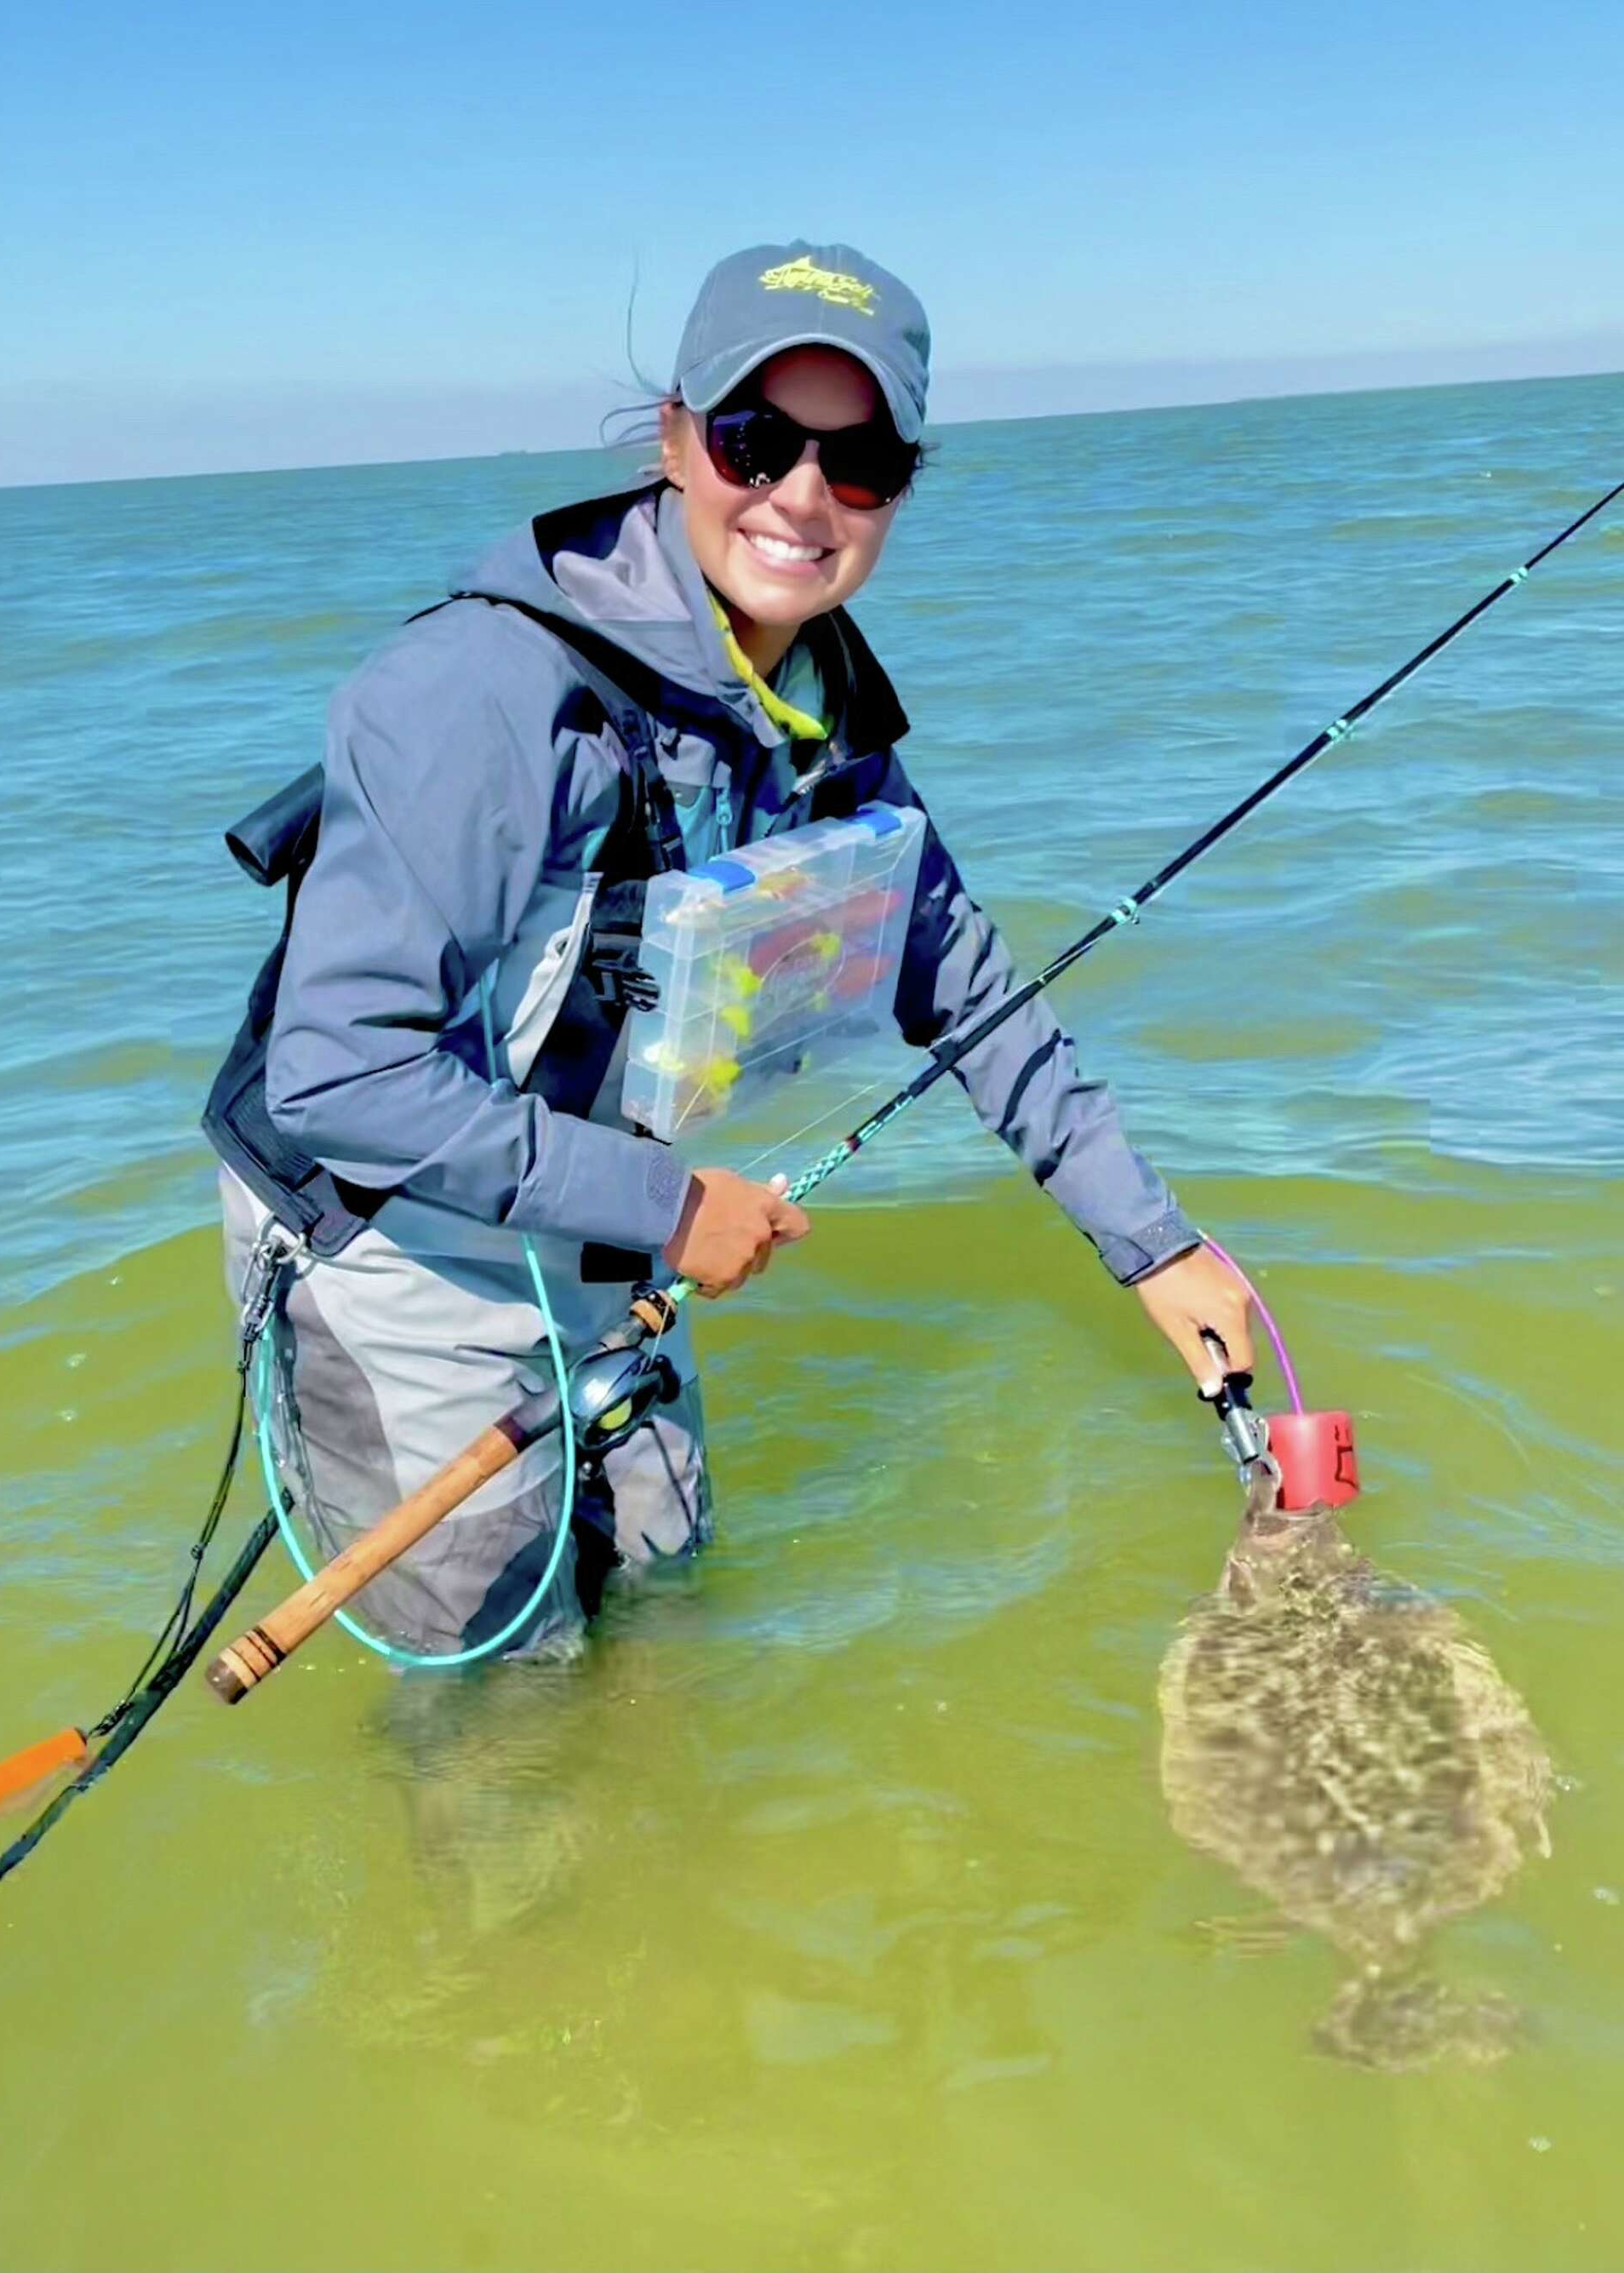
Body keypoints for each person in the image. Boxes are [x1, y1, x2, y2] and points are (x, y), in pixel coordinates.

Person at [209, 239, 1253, 1661]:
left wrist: (1156, 1246)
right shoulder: (481, 690)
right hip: (391, 1245)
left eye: (863, 458)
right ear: (677, 439)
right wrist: (665, 1198)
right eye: (759, 439)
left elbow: (970, 986)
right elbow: (335, 1076)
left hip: (602, 1220)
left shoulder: (816, 696)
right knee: (506, 1695)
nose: (804, 497)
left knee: (667, 1597)